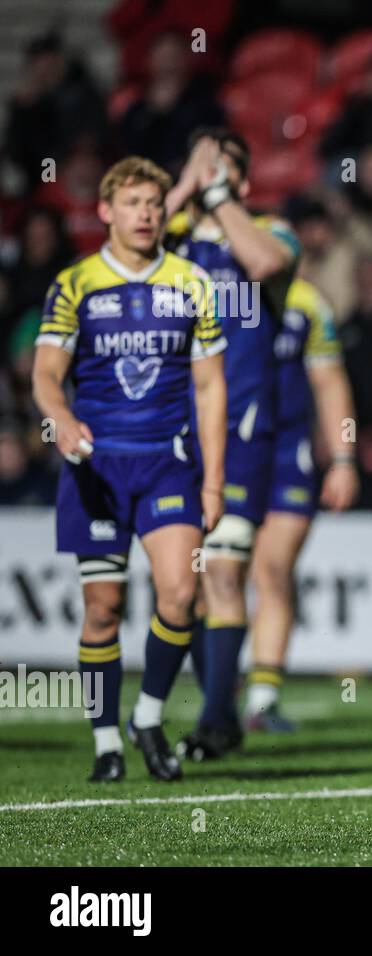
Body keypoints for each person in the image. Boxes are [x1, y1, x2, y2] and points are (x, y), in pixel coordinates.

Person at [31, 156, 226, 782]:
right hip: (96, 468)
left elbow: (211, 389)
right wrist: (59, 417)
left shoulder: (191, 281)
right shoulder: (75, 283)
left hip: (167, 465)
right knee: (102, 609)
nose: (146, 214)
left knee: (180, 593)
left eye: (154, 204)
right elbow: (44, 375)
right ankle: (107, 741)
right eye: (134, 203)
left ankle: (147, 715)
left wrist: (215, 480)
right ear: (106, 211)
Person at [164, 128, 301, 760]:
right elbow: (123, 247)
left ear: (241, 183)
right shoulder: (167, 244)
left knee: (223, 573)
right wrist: (186, 184)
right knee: (179, 585)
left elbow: (269, 265)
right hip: (164, 433)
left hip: (242, 431)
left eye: (224, 169)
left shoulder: (271, 235)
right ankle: (214, 702)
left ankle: (217, 721)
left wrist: (214, 191)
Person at [244, 277, 359, 731]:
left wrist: (344, 459)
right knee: (218, 573)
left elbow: (330, 383)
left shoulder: (307, 300)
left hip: (289, 457)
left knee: (272, 571)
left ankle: (261, 699)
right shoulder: (214, 294)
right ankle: (217, 689)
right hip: (227, 455)